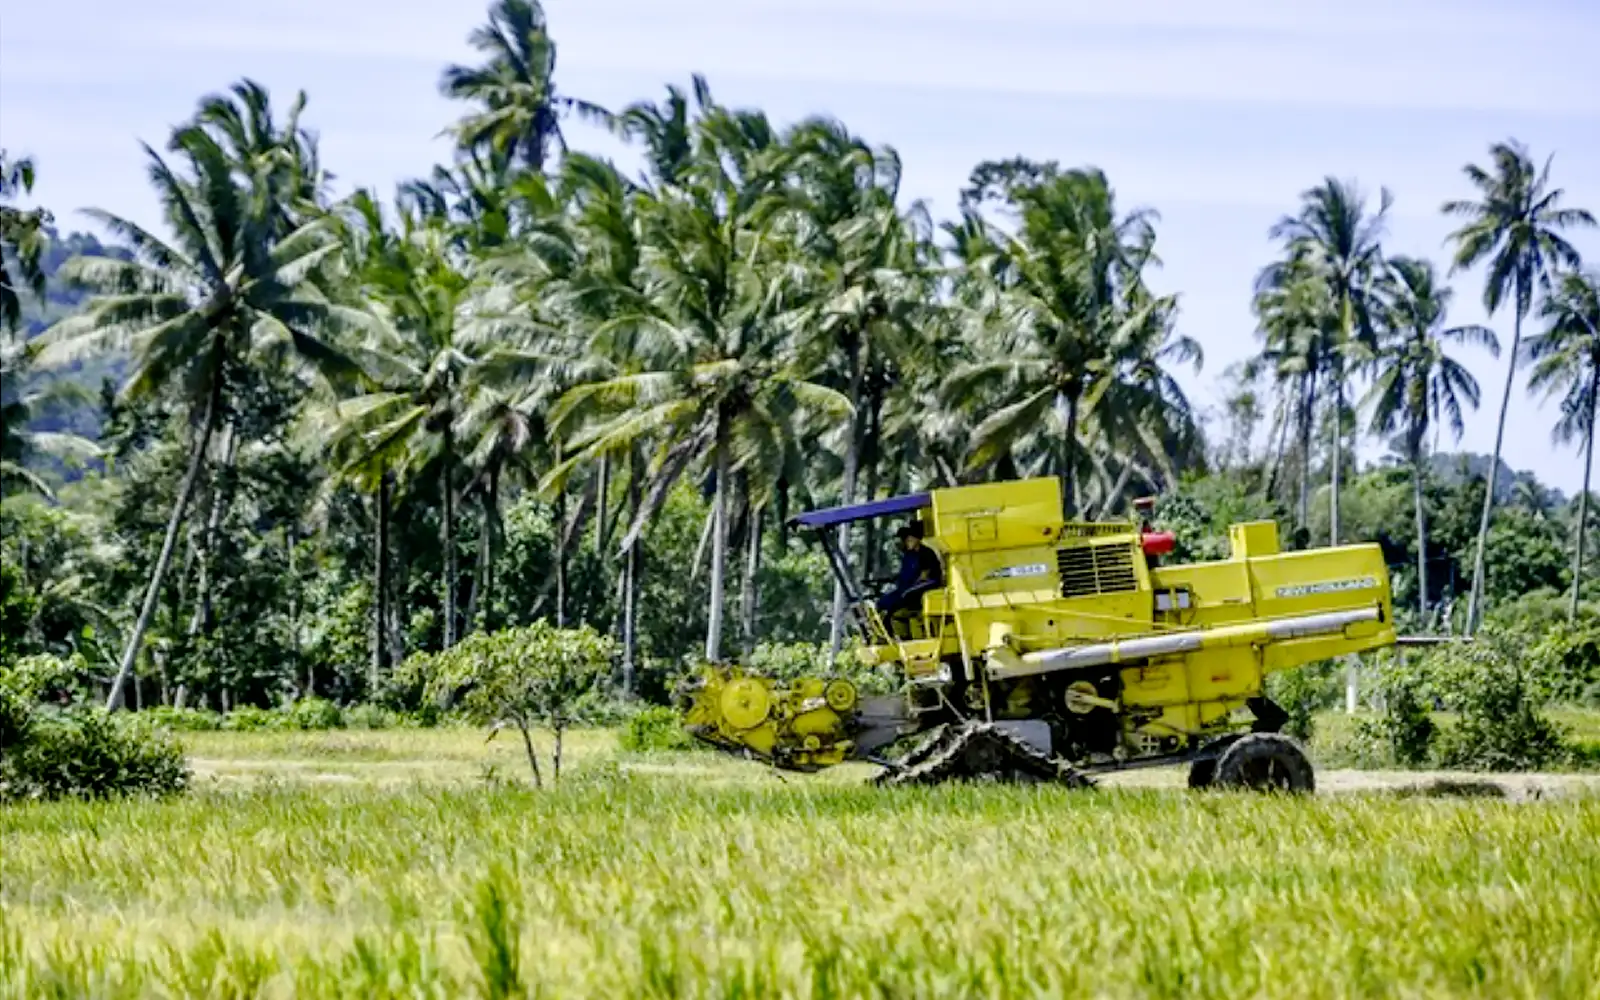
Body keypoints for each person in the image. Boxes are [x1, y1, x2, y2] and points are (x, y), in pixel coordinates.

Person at [876, 523, 943, 618]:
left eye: (909, 540)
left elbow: (925, 576)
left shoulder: (925, 553)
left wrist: (910, 586)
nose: (907, 543)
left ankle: (913, 614)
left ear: (916, 539)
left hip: (927, 583)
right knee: (884, 601)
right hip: (906, 586)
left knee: (906, 595)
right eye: (906, 540)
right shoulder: (909, 554)